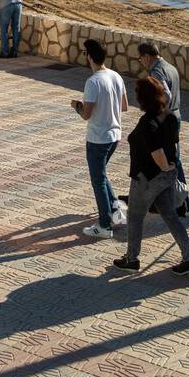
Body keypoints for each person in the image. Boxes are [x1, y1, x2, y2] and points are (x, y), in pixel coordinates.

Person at [112, 77, 189, 275]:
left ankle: (131, 259)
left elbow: (156, 151)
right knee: (170, 217)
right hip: (165, 179)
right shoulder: (169, 116)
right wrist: (170, 168)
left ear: (143, 98)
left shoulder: (147, 122)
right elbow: (173, 145)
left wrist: (164, 167)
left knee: (135, 217)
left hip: (146, 179)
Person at [72, 38, 128, 239]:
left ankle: (104, 225)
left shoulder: (93, 81)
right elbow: (124, 106)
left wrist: (76, 105)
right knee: (102, 175)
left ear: (89, 56)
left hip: (98, 138)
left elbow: (86, 114)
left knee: (98, 180)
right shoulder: (115, 76)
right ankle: (115, 211)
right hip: (115, 135)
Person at [138, 42, 186, 194]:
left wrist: (157, 112)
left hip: (166, 119)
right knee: (174, 156)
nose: (141, 62)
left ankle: (179, 194)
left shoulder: (157, 71)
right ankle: (179, 193)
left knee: (169, 159)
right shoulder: (170, 67)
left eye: (141, 58)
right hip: (176, 115)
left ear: (147, 56)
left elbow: (166, 94)